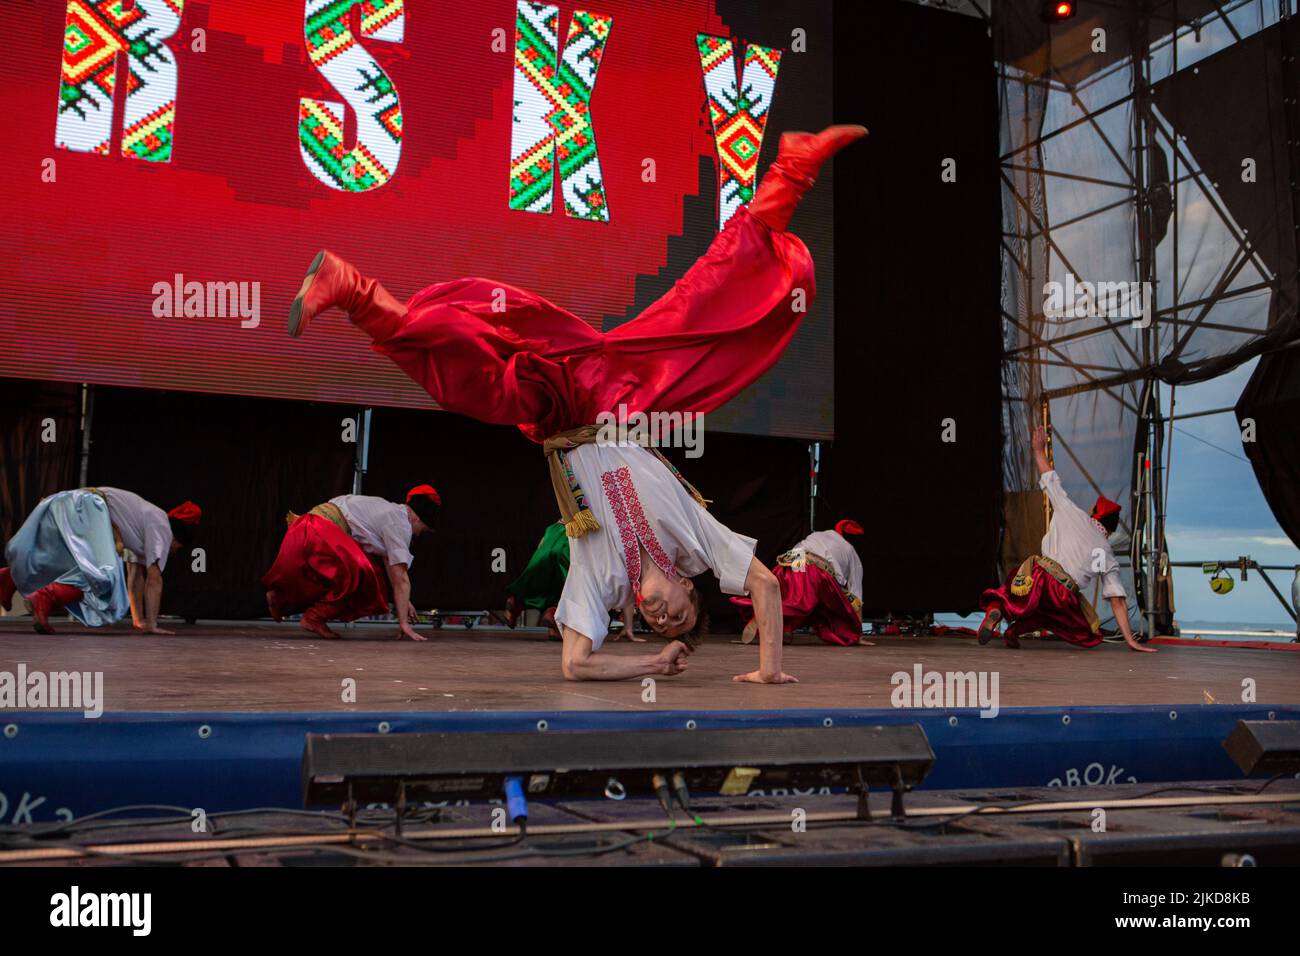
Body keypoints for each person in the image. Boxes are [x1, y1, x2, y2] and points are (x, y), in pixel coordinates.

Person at [287, 124, 867, 681]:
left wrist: (652, 663)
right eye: (682, 617)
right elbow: (766, 586)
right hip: (611, 399)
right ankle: (791, 169)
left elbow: (575, 665)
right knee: (701, 312)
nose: (665, 619)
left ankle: (348, 287)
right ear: (691, 588)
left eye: (663, 625)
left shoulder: (602, 576)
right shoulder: (694, 539)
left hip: (558, 421)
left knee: (474, 379)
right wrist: (769, 670)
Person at [978, 426, 1154, 652]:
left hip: (1039, 574)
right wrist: (1130, 640)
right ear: (1109, 531)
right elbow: (1116, 598)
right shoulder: (1103, 550)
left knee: (1007, 596)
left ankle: (996, 613)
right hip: (1063, 594)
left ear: (1094, 514)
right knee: (1066, 625)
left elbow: (1050, 479)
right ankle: (1012, 633)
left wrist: (1039, 452)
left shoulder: (1071, 512)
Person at [0, 488, 201, 635]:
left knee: (65, 562)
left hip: (72, 502)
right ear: (178, 537)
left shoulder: (146, 525)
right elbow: (154, 579)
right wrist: (153, 625)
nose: (173, 551)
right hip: (89, 505)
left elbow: (136, 576)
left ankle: (8, 579)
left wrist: (140, 621)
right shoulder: (162, 527)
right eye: (178, 548)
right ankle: (45, 598)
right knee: (103, 576)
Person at [262, 485, 441, 641]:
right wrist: (404, 624)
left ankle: (280, 597)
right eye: (422, 530)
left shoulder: (391, 512)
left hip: (310, 527)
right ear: (417, 518)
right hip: (322, 529)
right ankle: (314, 617)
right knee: (362, 575)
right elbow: (400, 578)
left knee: (329, 577)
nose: (418, 534)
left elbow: (392, 567)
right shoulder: (400, 523)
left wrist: (404, 601)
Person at [732, 519, 866, 646]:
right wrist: (857, 631)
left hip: (789, 560)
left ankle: (785, 630)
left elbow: (799, 549)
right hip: (813, 568)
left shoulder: (818, 535)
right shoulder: (850, 550)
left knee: (788, 596)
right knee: (815, 603)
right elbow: (856, 596)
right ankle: (765, 615)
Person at [503, 521, 641, 642]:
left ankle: (519, 602)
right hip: (578, 537)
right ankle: (555, 610)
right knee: (584, 586)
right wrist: (628, 627)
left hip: (555, 531)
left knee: (554, 577)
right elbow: (625, 578)